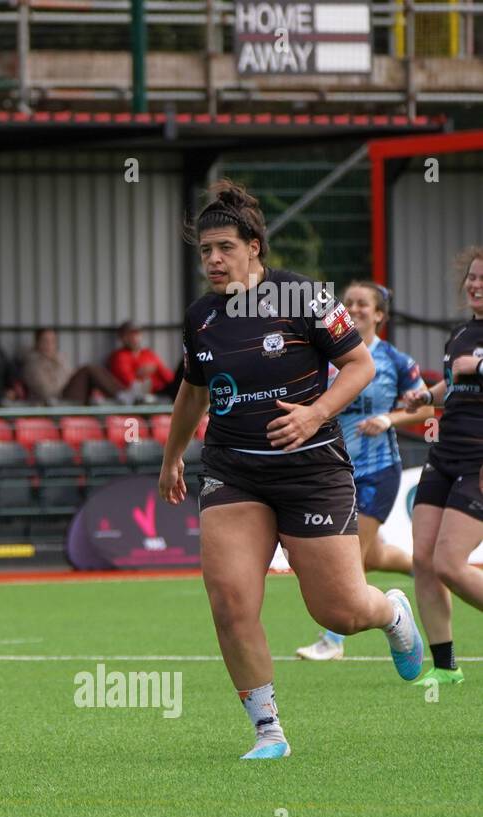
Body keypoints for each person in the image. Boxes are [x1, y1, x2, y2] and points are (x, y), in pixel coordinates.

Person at [158, 180, 423, 760]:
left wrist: (315, 414)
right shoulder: (201, 317)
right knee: (229, 600)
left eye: (225, 247)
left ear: (255, 247)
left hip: (311, 471)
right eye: (205, 251)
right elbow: (192, 390)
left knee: (339, 611)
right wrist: (174, 453)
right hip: (233, 471)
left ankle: (392, 611)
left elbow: (355, 364)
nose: (214, 261)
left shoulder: (304, 297)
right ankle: (267, 730)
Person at [297, 281, 432, 662]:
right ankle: (430, 569)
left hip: (377, 471)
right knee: (370, 557)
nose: (353, 309)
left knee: (348, 558)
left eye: (362, 304)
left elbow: (424, 408)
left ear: (379, 315)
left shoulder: (395, 360)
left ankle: (331, 641)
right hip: (332, 468)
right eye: (348, 302)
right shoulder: (324, 356)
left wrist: (388, 419)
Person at [402, 244, 483, 688]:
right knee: (424, 560)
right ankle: (445, 666)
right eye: (472, 277)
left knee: (451, 563)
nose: (475, 284)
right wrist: (426, 395)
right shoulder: (459, 336)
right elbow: (456, 384)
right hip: (445, 455)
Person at [21, 328, 125, 404]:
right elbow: (46, 391)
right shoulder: (33, 363)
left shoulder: (61, 358)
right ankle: (123, 394)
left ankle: (123, 394)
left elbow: (70, 375)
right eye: (45, 341)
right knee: (88, 369)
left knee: (93, 374)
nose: (49, 345)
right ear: (37, 343)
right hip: (58, 399)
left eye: (52, 341)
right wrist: (70, 383)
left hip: (69, 394)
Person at [108, 321, 175, 401]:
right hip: (141, 395)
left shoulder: (147, 353)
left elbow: (168, 376)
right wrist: (139, 374)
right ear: (122, 338)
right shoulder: (119, 356)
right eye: (130, 334)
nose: (134, 337)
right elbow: (130, 383)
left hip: (162, 391)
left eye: (137, 333)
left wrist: (156, 368)